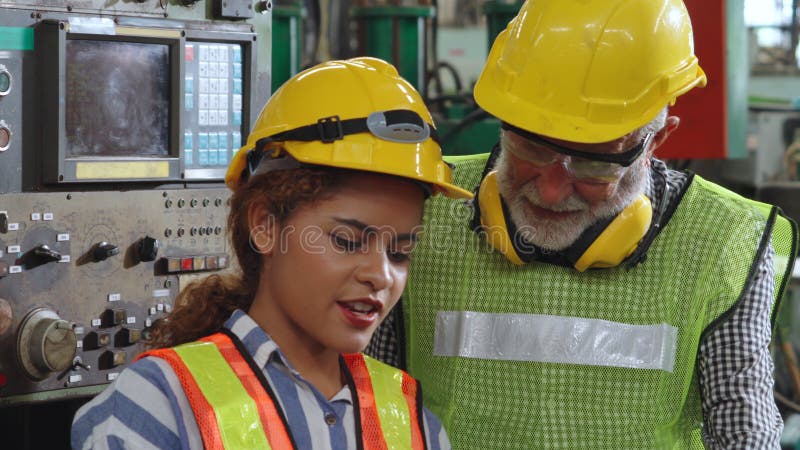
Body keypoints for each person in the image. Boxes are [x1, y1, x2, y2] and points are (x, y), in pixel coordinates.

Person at [367, 0, 799, 448]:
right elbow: (369, 412)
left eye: (594, 165)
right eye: (531, 149)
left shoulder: (720, 241)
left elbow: (743, 434)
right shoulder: (429, 206)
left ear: (658, 140)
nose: (552, 191)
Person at [71, 57, 472, 450]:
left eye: (400, 252)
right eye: (347, 242)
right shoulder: (157, 408)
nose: (381, 275)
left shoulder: (410, 417)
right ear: (265, 225)